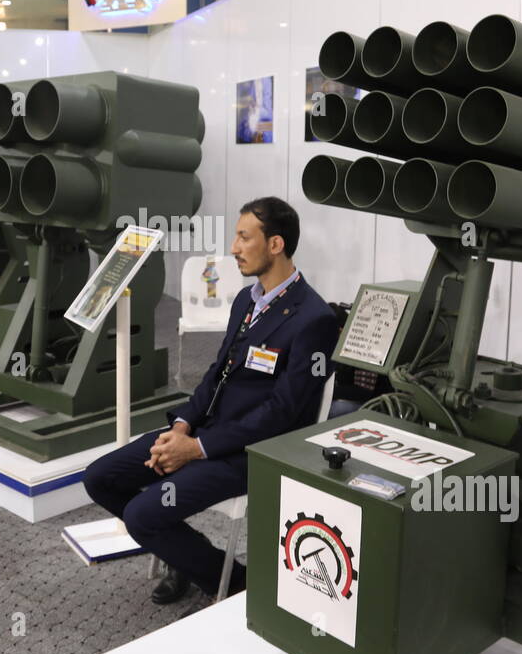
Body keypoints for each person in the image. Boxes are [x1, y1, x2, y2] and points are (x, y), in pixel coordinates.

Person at [84, 197, 340, 604]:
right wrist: (183, 425)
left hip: (249, 452)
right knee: (100, 478)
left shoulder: (314, 318)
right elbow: (215, 375)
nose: (234, 248)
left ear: (275, 244)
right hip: (204, 431)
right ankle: (187, 556)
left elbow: (284, 414)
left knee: (141, 515)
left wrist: (197, 449)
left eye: (243, 237)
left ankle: (232, 581)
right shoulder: (245, 301)